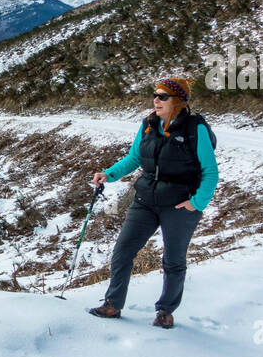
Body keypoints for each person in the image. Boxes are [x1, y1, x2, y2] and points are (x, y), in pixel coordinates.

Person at [87, 77, 218, 329]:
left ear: (178, 101)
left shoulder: (195, 128)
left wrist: (197, 203)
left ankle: (165, 311)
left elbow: (210, 172)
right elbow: (135, 157)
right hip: (145, 200)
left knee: (173, 260)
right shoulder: (148, 124)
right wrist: (109, 174)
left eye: (163, 96)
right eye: (155, 95)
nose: (156, 100)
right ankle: (112, 304)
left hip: (180, 204)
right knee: (123, 251)